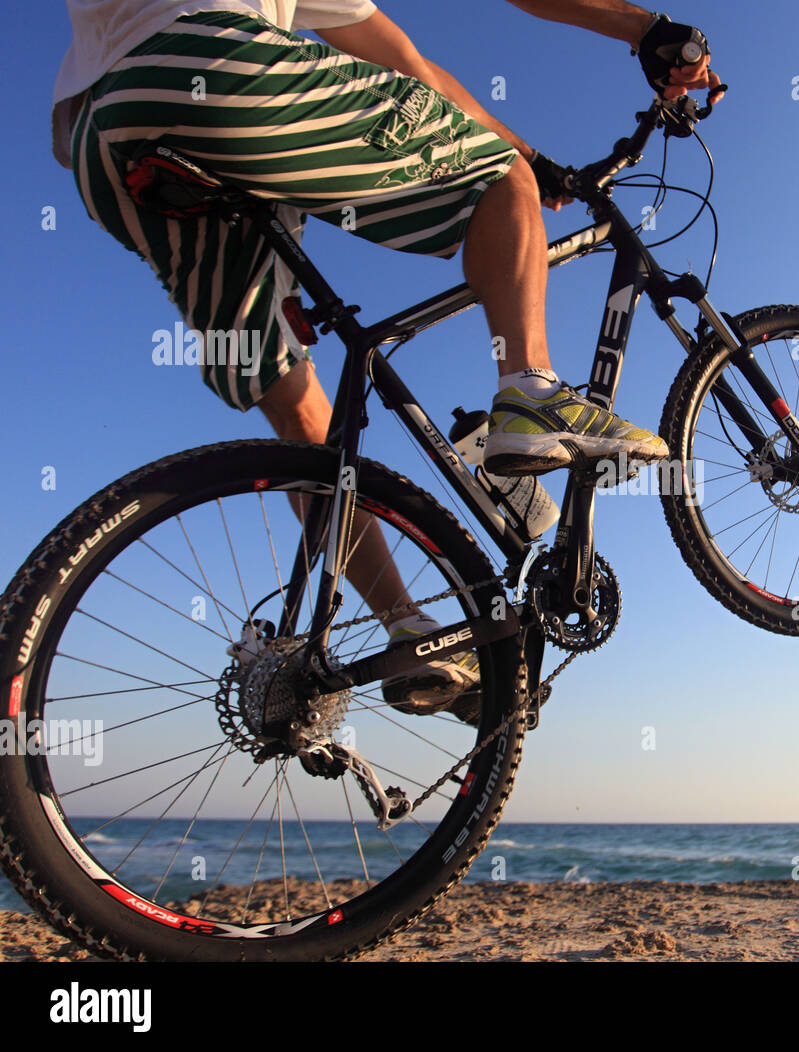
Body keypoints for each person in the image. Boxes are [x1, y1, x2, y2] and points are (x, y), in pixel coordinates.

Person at [51, 0, 723, 714]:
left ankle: (406, 629)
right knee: (501, 180)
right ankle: (528, 387)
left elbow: (72, 123)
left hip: (106, 147)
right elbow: (403, 61)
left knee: (294, 400)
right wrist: (636, 38)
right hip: (211, 66)